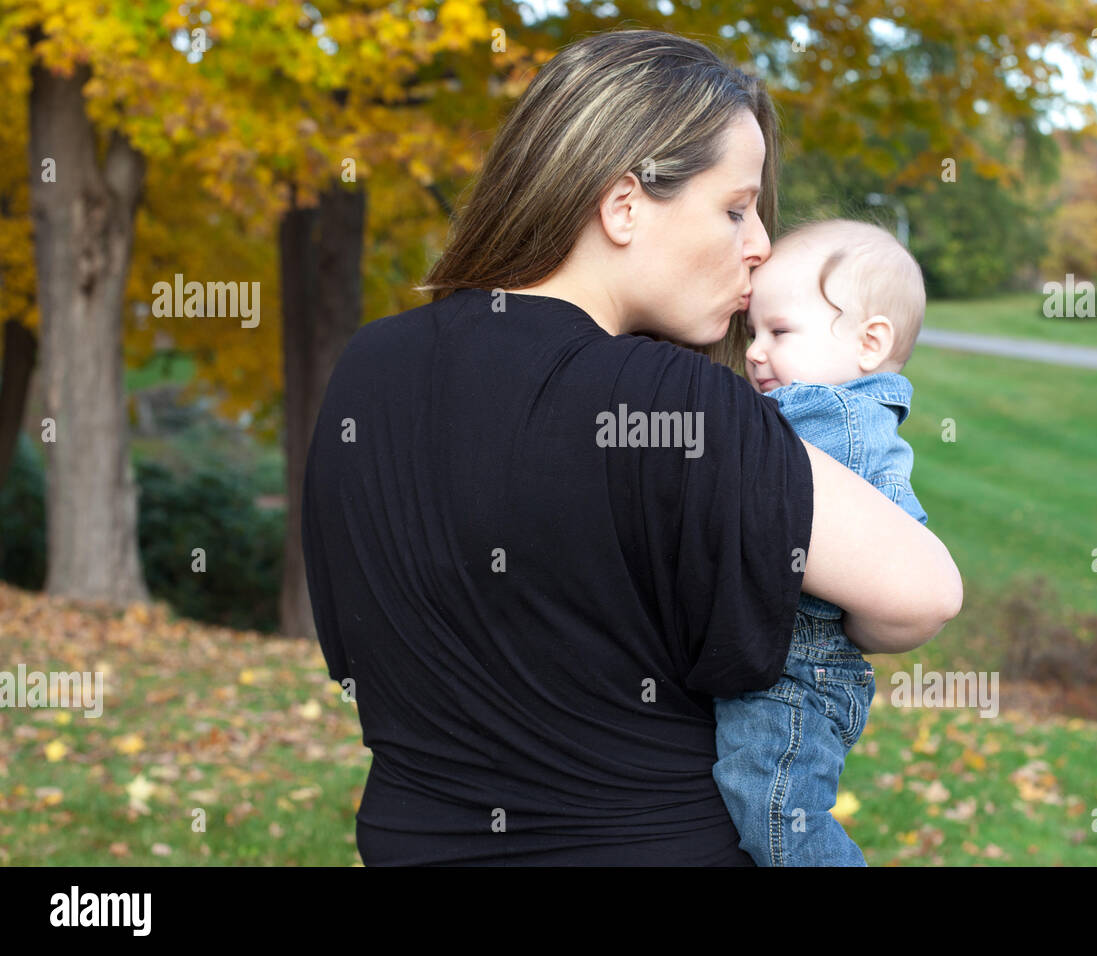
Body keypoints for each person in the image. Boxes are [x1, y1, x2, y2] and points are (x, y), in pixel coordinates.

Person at [301, 28, 962, 866]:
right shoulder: (670, 402)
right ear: (622, 205)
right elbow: (923, 593)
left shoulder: (369, 366)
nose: (759, 243)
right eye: (734, 208)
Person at [713, 218, 931, 866]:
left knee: (780, 818)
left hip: (796, 671)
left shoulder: (825, 415)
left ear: (870, 342)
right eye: (755, 332)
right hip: (799, 662)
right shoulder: (854, 414)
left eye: (780, 332)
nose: (755, 351)